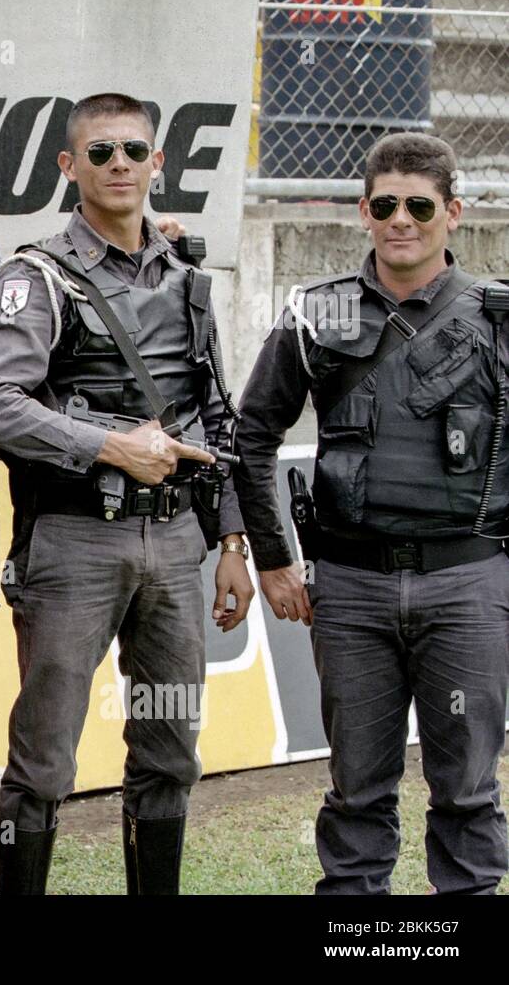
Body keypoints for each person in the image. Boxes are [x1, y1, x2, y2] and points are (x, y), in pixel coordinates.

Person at [0, 91, 254, 895]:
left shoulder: (187, 278)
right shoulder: (37, 276)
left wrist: (232, 543)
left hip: (178, 546)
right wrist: (110, 445)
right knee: (46, 759)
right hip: (75, 544)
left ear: (159, 162)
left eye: (134, 150)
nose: (118, 164)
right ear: (70, 166)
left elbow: (216, 419)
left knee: (170, 748)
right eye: (100, 152)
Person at [232, 132, 509, 895]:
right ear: (362, 210)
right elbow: (251, 434)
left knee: (468, 793)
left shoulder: (497, 318)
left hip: (467, 585)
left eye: (420, 205)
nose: (401, 220)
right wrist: (273, 556)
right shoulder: (314, 313)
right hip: (350, 588)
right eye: (384, 204)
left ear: (453, 213)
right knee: (357, 794)